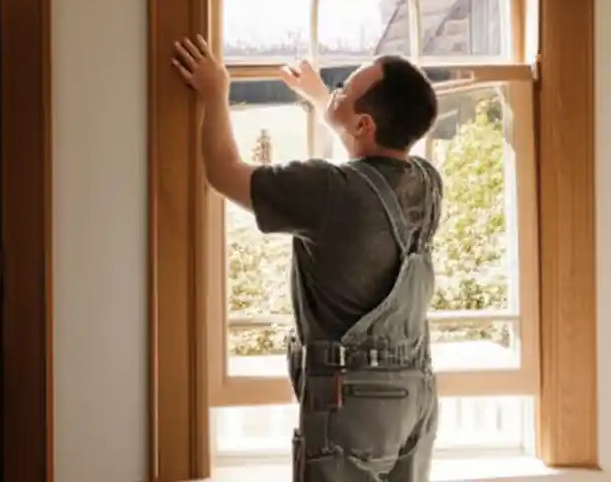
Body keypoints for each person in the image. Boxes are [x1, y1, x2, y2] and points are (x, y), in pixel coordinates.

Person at [171, 35, 442, 481]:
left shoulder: (326, 190)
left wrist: (215, 92)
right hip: (416, 397)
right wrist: (324, 100)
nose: (336, 89)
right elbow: (368, 167)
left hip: (353, 406)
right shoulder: (427, 183)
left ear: (364, 125)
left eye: (344, 89)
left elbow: (223, 171)